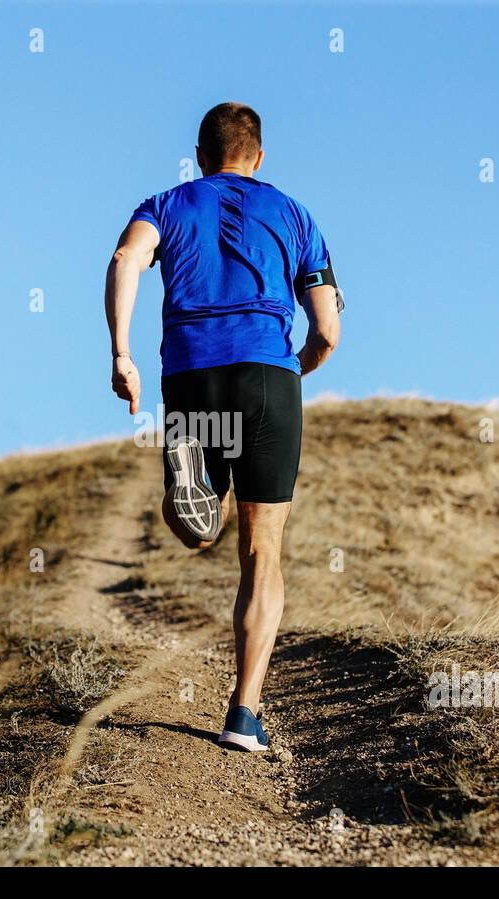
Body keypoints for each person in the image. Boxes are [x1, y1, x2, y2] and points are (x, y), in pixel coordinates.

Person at [104, 101, 342, 752]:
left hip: (189, 372)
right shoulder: (294, 215)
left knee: (199, 532)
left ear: (201, 156)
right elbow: (326, 329)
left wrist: (122, 354)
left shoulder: (167, 203)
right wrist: (293, 369)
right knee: (262, 550)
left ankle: (191, 479)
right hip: (267, 374)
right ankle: (244, 712)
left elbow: (127, 260)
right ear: (258, 157)